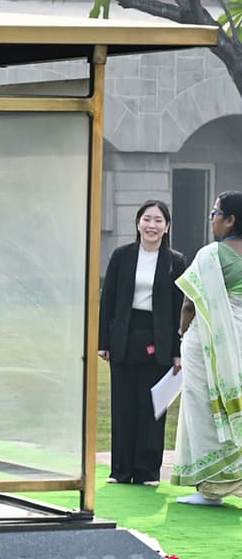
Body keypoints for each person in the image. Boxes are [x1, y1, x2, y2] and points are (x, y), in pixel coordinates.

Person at [99, 200, 187, 486]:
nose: (152, 225)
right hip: (124, 336)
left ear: (167, 226)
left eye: (158, 220)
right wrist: (103, 341)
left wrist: (178, 351)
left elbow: (179, 308)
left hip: (158, 339)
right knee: (123, 404)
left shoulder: (175, 261)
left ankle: (148, 471)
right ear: (138, 223)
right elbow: (107, 300)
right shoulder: (122, 256)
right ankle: (121, 470)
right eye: (147, 219)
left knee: (152, 406)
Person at [171, 191, 242, 506]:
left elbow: (189, 303)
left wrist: (182, 332)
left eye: (215, 212)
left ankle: (211, 489)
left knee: (205, 408)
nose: (211, 218)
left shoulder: (211, 255)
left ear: (230, 220)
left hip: (209, 343)